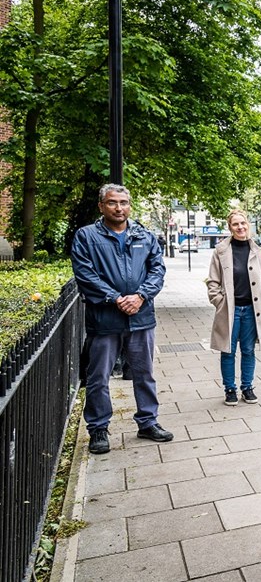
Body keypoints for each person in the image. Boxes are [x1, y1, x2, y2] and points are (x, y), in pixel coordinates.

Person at [71, 183, 171, 454]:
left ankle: (148, 422)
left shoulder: (144, 235)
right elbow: (85, 275)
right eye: (113, 202)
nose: (119, 208)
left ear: (130, 205)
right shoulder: (86, 237)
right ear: (101, 205)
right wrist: (116, 298)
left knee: (144, 374)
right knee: (98, 377)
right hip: (105, 320)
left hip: (141, 317)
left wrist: (140, 296)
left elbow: (157, 271)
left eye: (124, 202)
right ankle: (99, 429)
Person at [206, 210, 261, 406]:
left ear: (248, 224)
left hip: (252, 311)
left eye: (243, 223)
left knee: (249, 350)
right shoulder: (221, 251)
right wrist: (219, 301)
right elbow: (213, 281)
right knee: (228, 350)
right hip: (230, 311)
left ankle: (247, 387)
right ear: (230, 227)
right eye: (235, 224)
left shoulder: (258, 252)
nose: (240, 227)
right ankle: (230, 389)